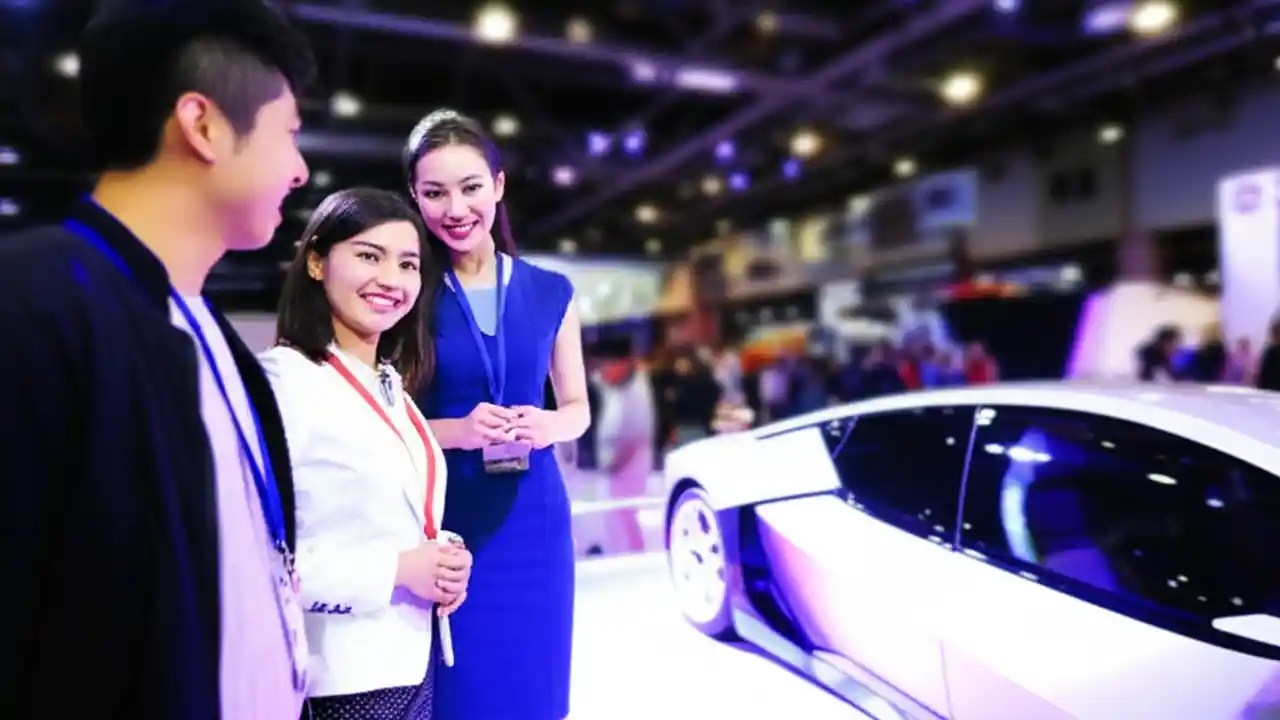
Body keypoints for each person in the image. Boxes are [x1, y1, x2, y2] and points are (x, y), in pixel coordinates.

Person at [0, 1, 314, 717]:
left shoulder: (213, 336)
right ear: (203, 124)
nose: (299, 170)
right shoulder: (33, 307)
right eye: (289, 134)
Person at [404, 109, 590, 720]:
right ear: (415, 197)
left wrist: (548, 425)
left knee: (536, 686)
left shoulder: (551, 291)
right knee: (467, 692)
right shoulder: (407, 295)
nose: (455, 208)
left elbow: (578, 408)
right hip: (451, 527)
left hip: (535, 522)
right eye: (434, 193)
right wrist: (456, 432)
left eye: (470, 187)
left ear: (499, 186)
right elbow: (380, 422)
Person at [259, 188, 473, 719]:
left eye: (407, 264)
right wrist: (400, 570)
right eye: (368, 256)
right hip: (338, 681)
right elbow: (260, 557)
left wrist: (443, 556)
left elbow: (382, 511)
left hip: (411, 663)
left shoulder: (389, 386)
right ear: (315, 261)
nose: (391, 280)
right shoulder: (284, 382)